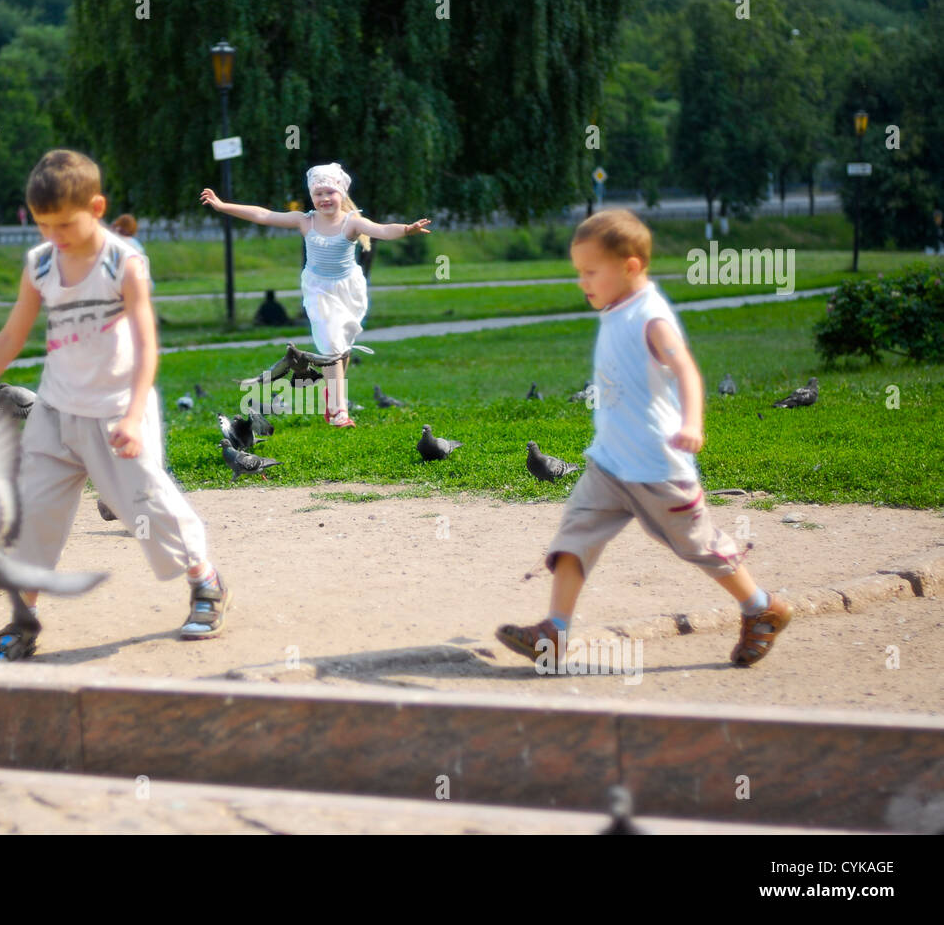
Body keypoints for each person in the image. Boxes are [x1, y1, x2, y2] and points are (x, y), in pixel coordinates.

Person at [0, 149, 231, 659]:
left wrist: (136, 416)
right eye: (43, 225)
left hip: (118, 411)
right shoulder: (42, 264)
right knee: (34, 514)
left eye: (64, 223)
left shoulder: (123, 263)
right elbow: (11, 335)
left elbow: (146, 344)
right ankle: (22, 624)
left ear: (96, 207)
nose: (54, 235)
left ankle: (205, 580)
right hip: (54, 412)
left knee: (146, 503)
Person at [495, 209, 793, 670]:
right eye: (579, 272)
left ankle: (761, 608)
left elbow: (688, 372)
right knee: (573, 537)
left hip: (657, 467)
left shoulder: (651, 318)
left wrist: (692, 423)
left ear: (630, 267)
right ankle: (554, 633)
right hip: (609, 466)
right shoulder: (616, 310)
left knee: (698, 546)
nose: (582, 282)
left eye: (590, 272)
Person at [201, 163, 430, 427]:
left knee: (341, 347)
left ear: (341, 194)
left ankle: (331, 395)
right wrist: (222, 205)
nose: (324, 199)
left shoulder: (352, 222)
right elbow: (263, 215)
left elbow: (381, 229)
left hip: (347, 289)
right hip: (318, 289)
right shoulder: (305, 220)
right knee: (332, 345)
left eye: (329, 193)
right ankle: (339, 411)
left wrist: (406, 229)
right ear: (311, 197)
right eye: (318, 194)